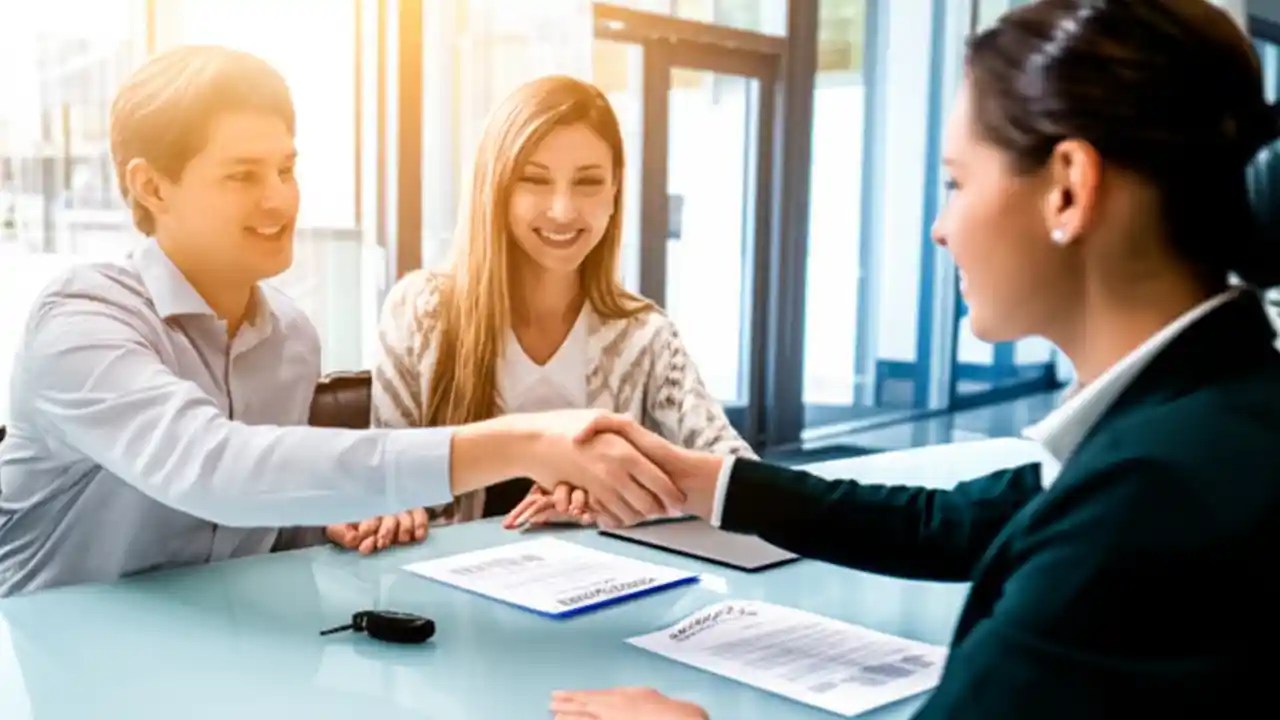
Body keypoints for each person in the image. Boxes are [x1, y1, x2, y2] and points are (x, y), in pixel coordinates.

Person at [550, 1, 1280, 717]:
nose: (939, 229)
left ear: (1067, 188)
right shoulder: (1215, 412)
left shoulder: (1151, 501)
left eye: (957, 183)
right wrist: (707, 484)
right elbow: (948, 523)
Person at [0, 46, 682, 597]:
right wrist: (527, 442)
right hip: (51, 664)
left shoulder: (290, 337)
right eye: (243, 176)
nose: (281, 200)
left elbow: (265, 524)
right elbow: (215, 469)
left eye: (286, 168)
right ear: (152, 187)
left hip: (224, 652)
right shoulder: (81, 322)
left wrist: (328, 518)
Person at [370, 74, 754, 532]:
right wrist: (389, 511)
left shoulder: (643, 334)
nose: (562, 210)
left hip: (602, 588)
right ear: (496, 190)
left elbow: (738, 477)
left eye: (589, 183)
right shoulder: (420, 311)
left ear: (615, 193)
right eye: (534, 180)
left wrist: (620, 496)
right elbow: (384, 481)